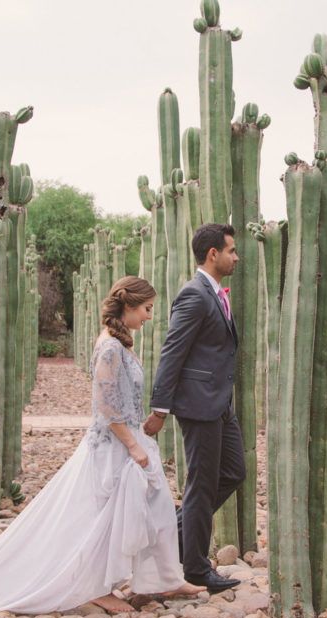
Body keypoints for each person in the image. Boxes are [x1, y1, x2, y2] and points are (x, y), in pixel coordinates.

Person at [0, 276, 205, 614]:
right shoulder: (111, 347)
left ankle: (165, 578)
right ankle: (97, 588)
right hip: (114, 445)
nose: (148, 316)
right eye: (146, 308)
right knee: (103, 517)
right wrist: (132, 445)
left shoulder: (122, 342)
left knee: (156, 507)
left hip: (130, 437)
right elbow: (105, 403)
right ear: (128, 305)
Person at [143, 223, 246, 594]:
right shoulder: (194, 294)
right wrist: (160, 408)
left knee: (234, 472)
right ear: (213, 254)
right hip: (199, 404)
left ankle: (172, 534)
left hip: (220, 402)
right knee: (201, 485)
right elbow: (174, 350)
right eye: (231, 250)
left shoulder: (215, 293)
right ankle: (196, 568)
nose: (237, 256)